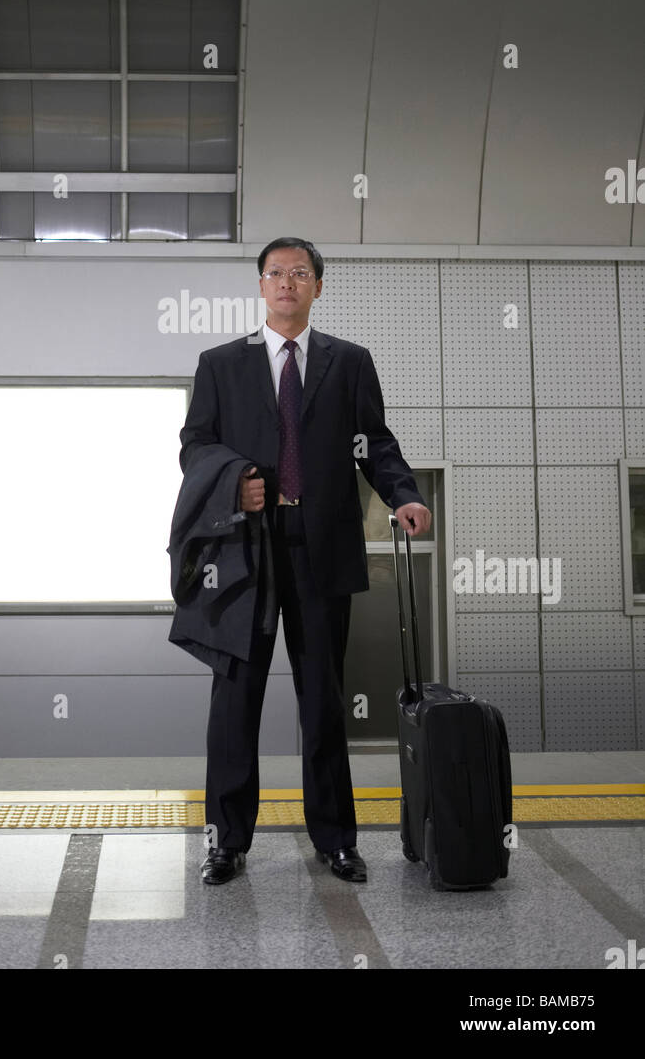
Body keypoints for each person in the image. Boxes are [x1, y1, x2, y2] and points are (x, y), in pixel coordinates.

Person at [178, 237, 432, 884]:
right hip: (245, 557)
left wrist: (403, 495)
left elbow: (374, 442)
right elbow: (195, 447)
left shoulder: (349, 363)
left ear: (318, 286)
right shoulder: (219, 365)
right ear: (261, 286)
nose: (287, 282)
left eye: (299, 273)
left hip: (322, 552)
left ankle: (336, 840)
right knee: (234, 704)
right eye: (275, 273)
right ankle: (226, 842)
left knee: (323, 702)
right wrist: (235, 481)